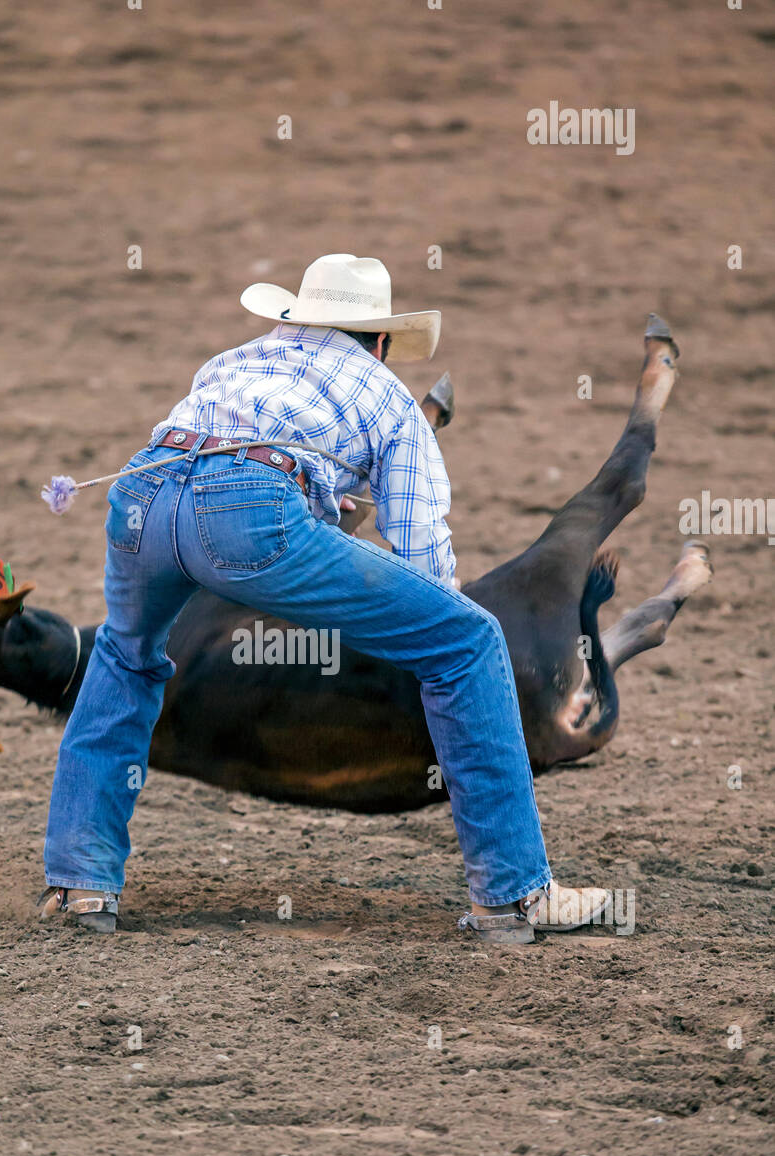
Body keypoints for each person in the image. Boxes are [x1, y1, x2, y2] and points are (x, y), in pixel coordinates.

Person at [40, 254, 610, 943]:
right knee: (467, 642)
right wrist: (435, 611)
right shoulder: (390, 398)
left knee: (125, 659)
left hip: (140, 497)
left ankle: (80, 887)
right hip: (250, 513)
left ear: (300, 319)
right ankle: (515, 895)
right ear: (380, 342)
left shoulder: (233, 358)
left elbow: (214, 454)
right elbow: (420, 549)